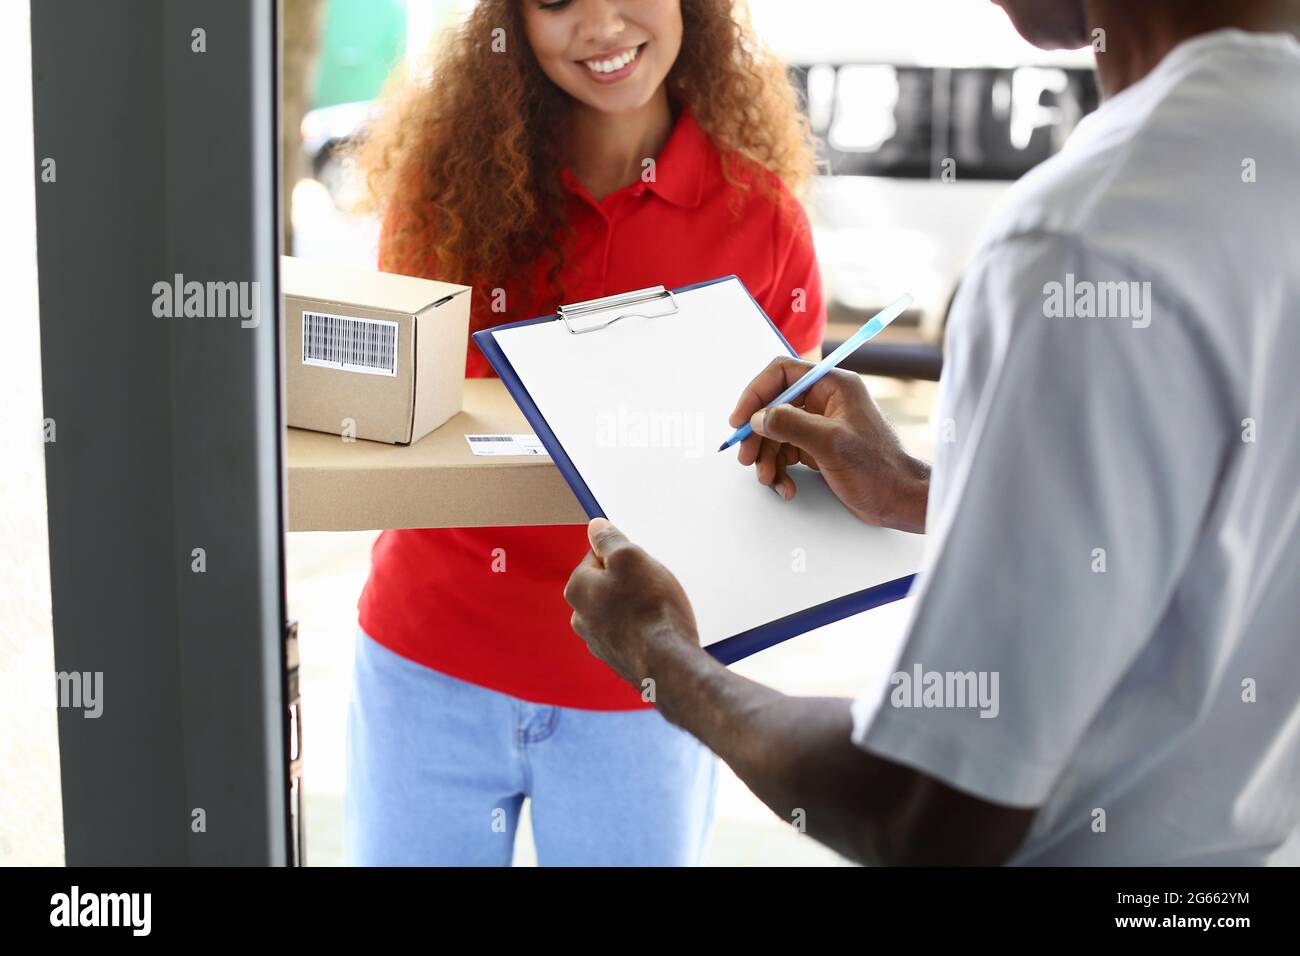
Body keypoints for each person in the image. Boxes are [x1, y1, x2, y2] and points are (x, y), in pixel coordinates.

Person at [564, 0, 1300, 865]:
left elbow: (926, 811)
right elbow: (1226, 518)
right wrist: (923, 489)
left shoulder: (1084, 242)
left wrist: (660, 654)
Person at [346, 0, 825, 865]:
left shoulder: (763, 220)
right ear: (514, 23)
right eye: (557, 1)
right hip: (430, 663)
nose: (602, 25)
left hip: (646, 688)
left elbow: (779, 466)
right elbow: (401, 413)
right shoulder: (442, 188)